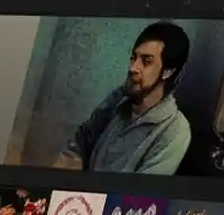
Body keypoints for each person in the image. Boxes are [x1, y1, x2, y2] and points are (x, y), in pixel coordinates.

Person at [56, 21, 192, 175]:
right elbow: (80, 143)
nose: (133, 68)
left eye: (146, 62)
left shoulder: (174, 130)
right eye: (133, 58)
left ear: (167, 72)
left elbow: (141, 195)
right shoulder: (119, 98)